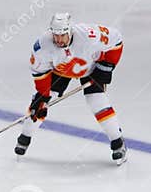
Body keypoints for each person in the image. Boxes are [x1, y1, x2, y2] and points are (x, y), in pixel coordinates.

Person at [15, 12, 126, 165]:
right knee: (39, 105)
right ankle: (25, 137)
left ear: (70, 31)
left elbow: (117, 40)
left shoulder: (89, 35)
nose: (59, 40)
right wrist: (43, 96)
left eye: (63, 35)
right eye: (56, 35)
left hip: (92, 68)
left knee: (96, 101)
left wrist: (106, 67)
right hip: (59, 72)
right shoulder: (42, 47)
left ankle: (117, 142)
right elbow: (40, 73)